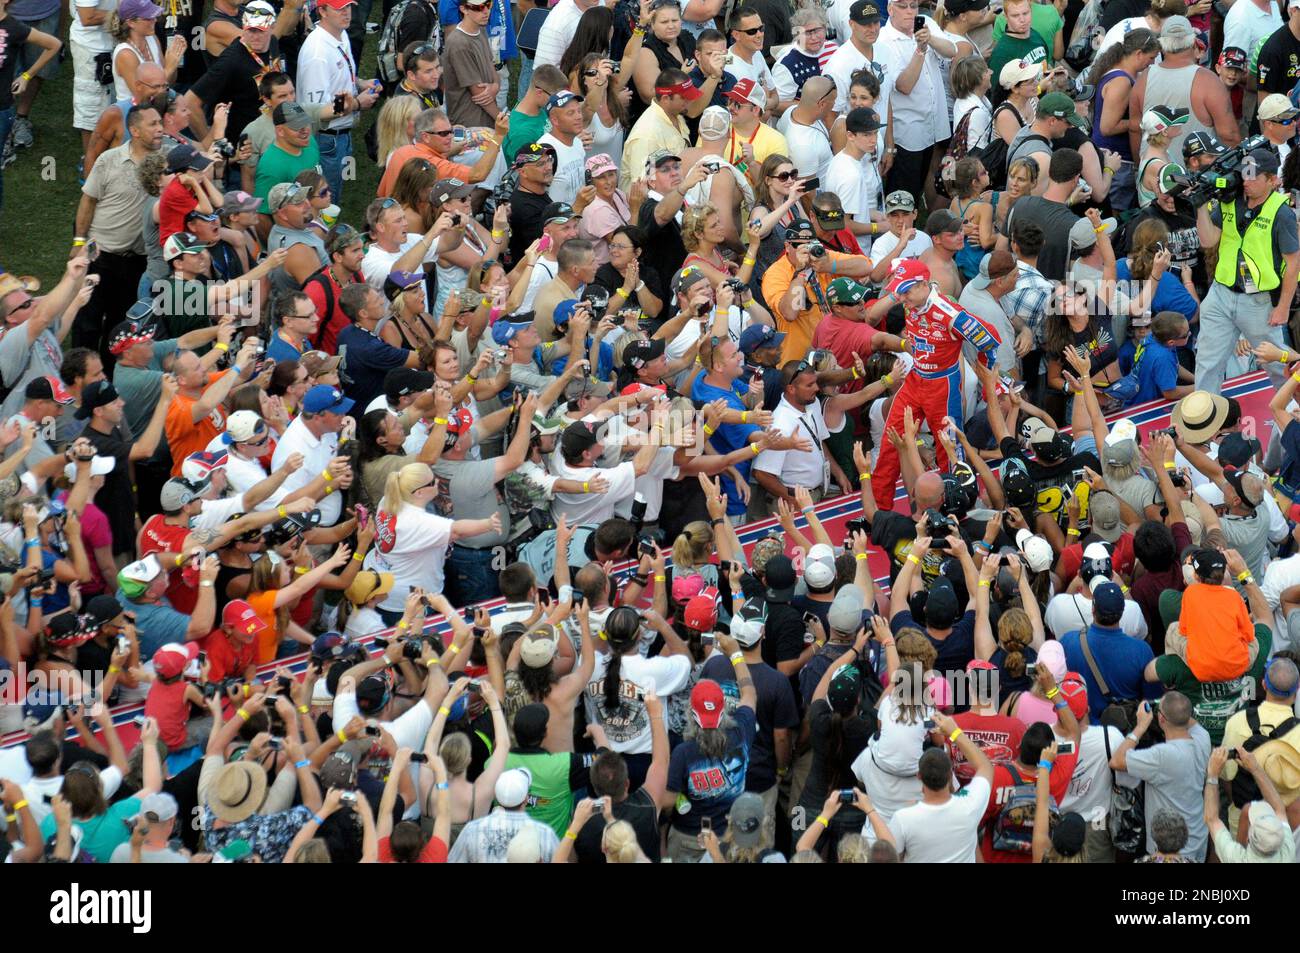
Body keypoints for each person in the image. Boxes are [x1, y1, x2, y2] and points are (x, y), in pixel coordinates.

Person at [870, 259, 1001, 509]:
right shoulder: (912, 299)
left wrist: (987, 382)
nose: (902, 299)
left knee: (949, 450)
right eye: (899, 292)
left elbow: (990, 339)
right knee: (891, 440)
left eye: (906, 292)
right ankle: (878, 511)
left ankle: (957, 506)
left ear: (922, 285)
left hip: (943, 385)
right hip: (916, 379)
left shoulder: (949, 313)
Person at [1194, 146, 1298, 393]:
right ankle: (1203, 423)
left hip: (1258, 302)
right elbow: (1208, 241)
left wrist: (1283, 307)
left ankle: (1294, 416)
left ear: (1272, 180)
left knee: (1276, 365)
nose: (1246, 181)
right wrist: (1199, 207)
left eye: (1253, 176)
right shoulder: (1230, 200)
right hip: (1221, 293)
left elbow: (1294, 264)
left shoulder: (1281, 213)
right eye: (1244, 174)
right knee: (1207, 364)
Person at [1109, 691, 1212, 861]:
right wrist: (1171, 704)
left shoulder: (1161, 755)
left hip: (1168, 849)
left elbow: (1117, 761)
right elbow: (1184, 715)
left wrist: (1141, 726)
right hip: (1198, 838)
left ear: (1161, 719)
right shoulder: (1203, 738)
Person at [888, 712, 994, 862]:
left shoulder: (903, 818)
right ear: (950, 775)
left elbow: (894, 858)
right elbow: (985, 766)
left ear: (919, 776)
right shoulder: (970, 805)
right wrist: (954, 732)